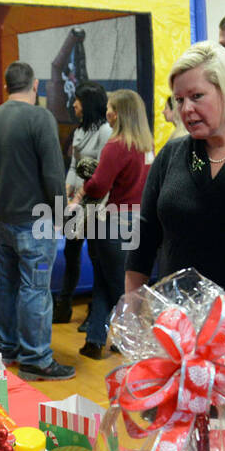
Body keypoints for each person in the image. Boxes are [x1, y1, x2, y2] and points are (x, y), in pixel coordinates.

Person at [125, 42, 225, 299]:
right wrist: (131, 311)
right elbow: (144, 238)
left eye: (197, 96)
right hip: (176, 323)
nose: (186, 109)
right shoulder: (173, 155)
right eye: (179, 100)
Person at [0, 61, 74, 380]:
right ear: (35, 86)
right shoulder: (40, 117)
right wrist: (60, 215)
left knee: (6, 283)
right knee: (35, 287)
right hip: (36, 220)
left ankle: (8, 347)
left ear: (7, 86)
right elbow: (52, 172)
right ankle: (37, 358)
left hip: (2, 217)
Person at [79, 89, 151, 358]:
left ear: (119, 113)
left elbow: (98, 187)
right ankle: (96, 340)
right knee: (109, 284)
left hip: (112, 224)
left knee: (115, 288)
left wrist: (86, 180)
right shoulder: (146, 145)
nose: (107, 112)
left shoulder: (115, 145)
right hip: (138, 222)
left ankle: (127, 341)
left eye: (110, 108)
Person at [53, 81, 111, 326]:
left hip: (95, 203)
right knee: (71, 251)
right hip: (76, 201)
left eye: (77, 100)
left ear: (88, 104)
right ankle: (64, 305)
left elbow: (101, 173)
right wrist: (66, 194)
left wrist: (79, 199)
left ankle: (96, 311)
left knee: (97, 256)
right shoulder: (79, 131)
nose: (73, 104)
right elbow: (75, 167)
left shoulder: (106, 132)